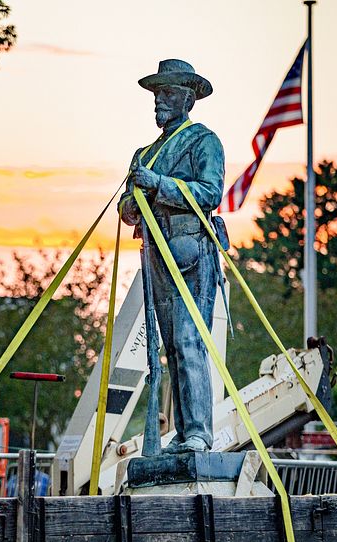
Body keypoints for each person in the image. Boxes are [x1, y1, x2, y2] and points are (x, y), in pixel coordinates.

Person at [119, 59, 225, 454]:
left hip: (189, 251)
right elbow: (127, 206)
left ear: (185, 99)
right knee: (168, 347)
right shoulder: (143, 153)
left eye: (165, 95)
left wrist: (159, 185)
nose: (157, 103)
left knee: (188, 340)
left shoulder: (203, 141)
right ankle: (182, 434)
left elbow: (210, 193)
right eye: (155, 95)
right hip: (154, 256)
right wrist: (133, 202)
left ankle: (198, 432)